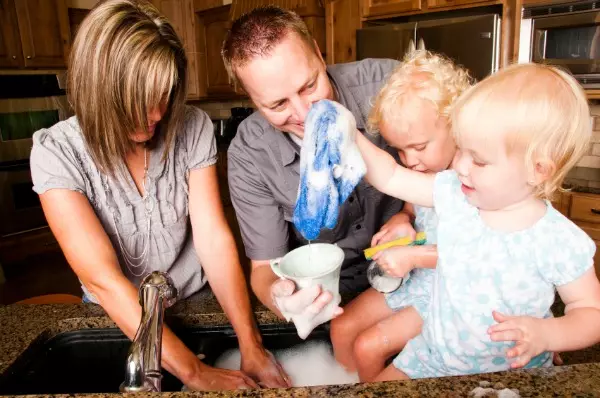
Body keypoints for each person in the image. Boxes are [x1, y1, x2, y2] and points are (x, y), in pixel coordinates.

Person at [29, 0, 289, 391]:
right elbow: (102, 280)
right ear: (100, 94)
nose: (156, 113)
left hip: (199, 301)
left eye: (165, 94)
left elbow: (213, 240)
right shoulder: (56, 152)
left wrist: (250, 345)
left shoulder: (191, 126)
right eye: (140, 100)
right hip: (116, 316)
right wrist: (196, 373)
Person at [349, 62, 600, 380]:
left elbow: (591, 313)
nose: (462, 166)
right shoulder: (456, 193)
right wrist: (348, 134)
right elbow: (390, 175)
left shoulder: (558, 240)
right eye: (462, 150)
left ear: (537, 170)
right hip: (432, 355)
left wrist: (548, 334)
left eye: (479, 159)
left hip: (507, 372)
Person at [221, 6, 406, 326]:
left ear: (320, 57)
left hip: (416, 268)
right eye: (278, 104)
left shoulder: (391, 84)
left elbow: (455, 166)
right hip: (331, 294)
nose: (304, 113)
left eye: (309, 86)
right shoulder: (249, 155)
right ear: (253, 100)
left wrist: (408, 214)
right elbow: (265, 269)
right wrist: (284, 299)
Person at [330, 50, 472, 381]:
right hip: (417, 278)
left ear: (457, 123)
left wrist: (412, 257)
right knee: (340, 327)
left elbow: (475, 254)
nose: (410, 160)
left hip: (450, 292)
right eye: (401, 150)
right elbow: (416, 201)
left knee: (368, 346)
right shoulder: (427, 171)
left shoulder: (473, 181)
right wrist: (403, 218)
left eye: (419, 147)